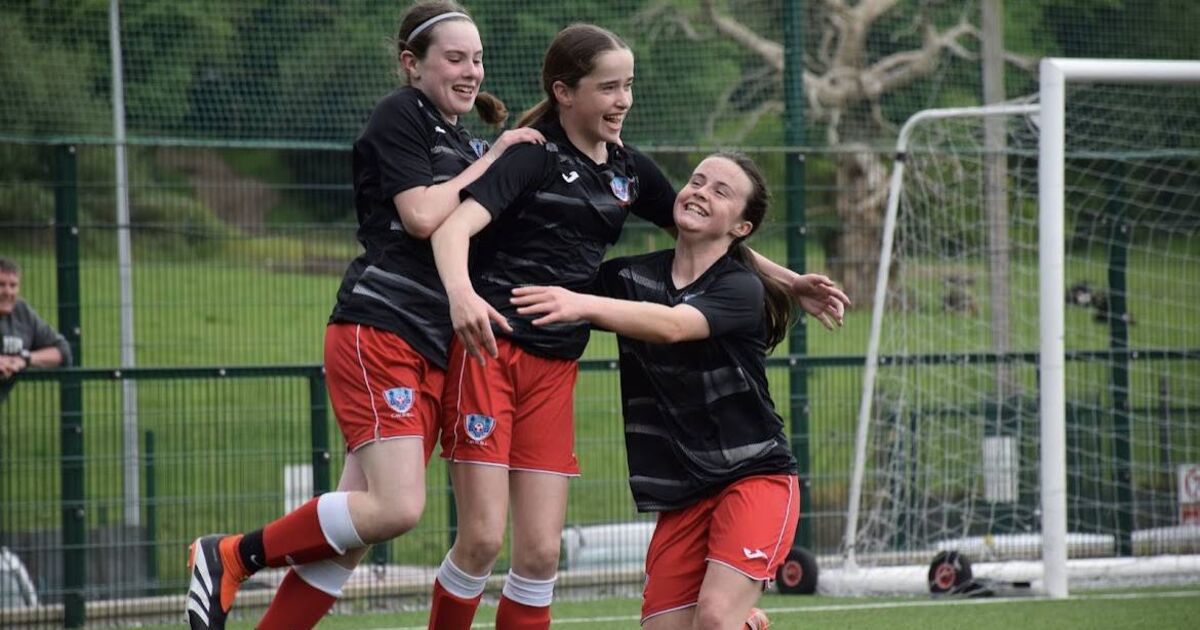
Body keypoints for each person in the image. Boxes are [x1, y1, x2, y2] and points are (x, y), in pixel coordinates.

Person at [426, 24, 831, 630]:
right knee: (482, 540)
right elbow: (452, 228)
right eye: (609, 87)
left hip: (556, 366)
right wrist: (461, 295)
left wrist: (788, 279)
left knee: (539, 555)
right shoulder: (533, 155)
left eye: (629, 86)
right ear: (566, 92)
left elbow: (713, 235)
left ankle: (731, 610)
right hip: (490, 351)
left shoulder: (629, 172)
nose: (623, 100)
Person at [184, 3, 543, 629]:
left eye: (477, 58)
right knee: (397, 508)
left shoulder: (461, 136)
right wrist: (499, 155)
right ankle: (231, 554)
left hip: (430, 342)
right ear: (412, 64)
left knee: (351, 534)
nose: (471, 71)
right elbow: (423, 218)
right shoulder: (401, 113)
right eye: (455, 58)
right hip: (381, 328)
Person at [510, 153, 849, 629]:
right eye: (697, 181)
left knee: (712, 618)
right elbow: (554, 280)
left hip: (754, 477)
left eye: (721, 191)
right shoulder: (632, 278)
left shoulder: (740, 287)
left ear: (742, 228)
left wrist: (582, 303)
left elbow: (671, 325)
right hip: (682, 496)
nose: (700, 193)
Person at [0, 257, 72, 399]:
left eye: (13, 285)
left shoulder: (22, 312)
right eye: (1, 285)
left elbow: (62, 351)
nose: (8, 292)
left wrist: (24, 359)